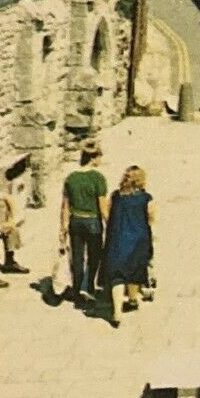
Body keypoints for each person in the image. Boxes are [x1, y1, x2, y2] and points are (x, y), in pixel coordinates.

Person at [101, 165, 157, 328]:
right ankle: (132, 299)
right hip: (138, 239)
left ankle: (117, 312)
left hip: (117, 239)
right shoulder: (146, 198)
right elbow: (151, 218)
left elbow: (109, 214)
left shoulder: (116, 196)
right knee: (134, 271)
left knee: (117, 276)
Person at [59, 139, 110, 304]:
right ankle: (88, 286)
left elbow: (65, 206)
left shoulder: (71, 178)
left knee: (77, 256)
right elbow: (102, 207)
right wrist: (111, 224)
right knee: (94, 256)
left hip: (75, 221)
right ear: (93, 158)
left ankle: (76, 289)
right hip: (92, 222)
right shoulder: (98, 178)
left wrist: (63, 227)